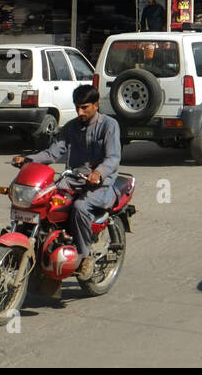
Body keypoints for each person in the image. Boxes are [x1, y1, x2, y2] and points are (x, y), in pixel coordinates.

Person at [13, 85, 121, 279]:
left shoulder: (109, 125)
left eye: (85, 107)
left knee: (80, 207)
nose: (80, 112)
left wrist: (98, 173)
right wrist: (29, 159)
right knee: (45, 199)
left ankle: (85, 256)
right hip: (72, 180)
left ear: (96, 105)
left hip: (101, 184)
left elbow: (113, 158)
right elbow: (53, 153)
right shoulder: (71, 127)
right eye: (77, 107)